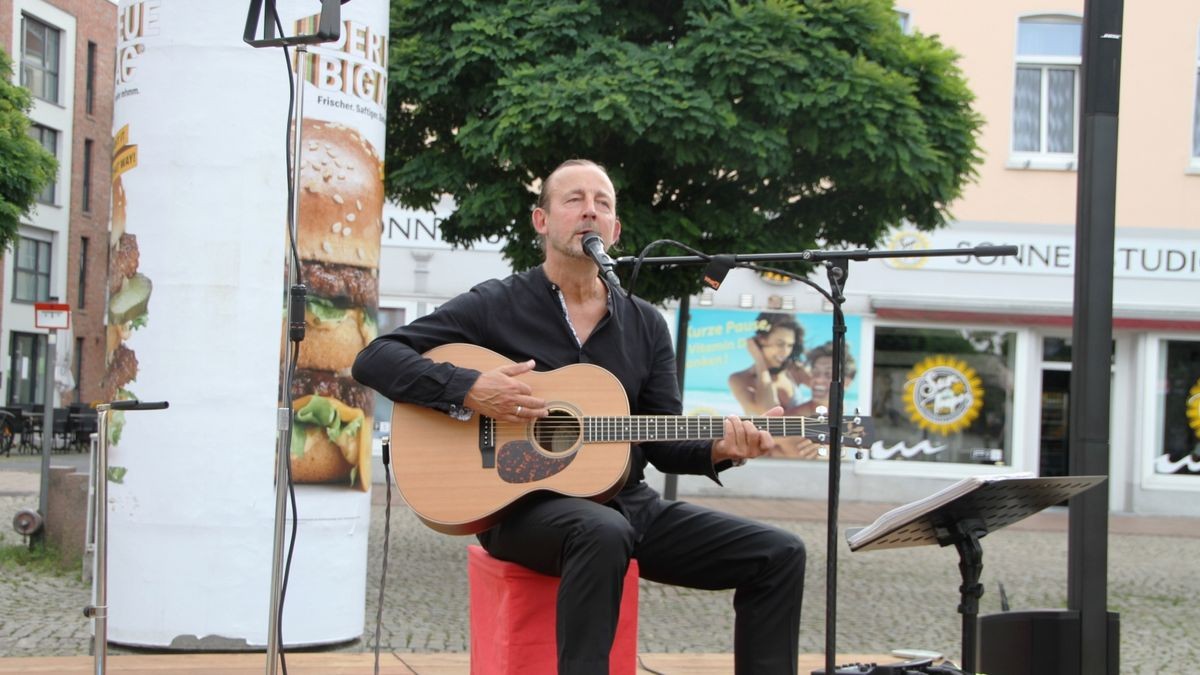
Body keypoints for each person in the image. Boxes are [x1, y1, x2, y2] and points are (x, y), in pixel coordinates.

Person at [353, 159, 806, 675]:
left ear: (614, 230)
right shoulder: (496, 304)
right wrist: (471, 388)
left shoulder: (645, 324)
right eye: (574, 200)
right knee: (602, 530)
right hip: (519, 508)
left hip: (628, 503)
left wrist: (720, 449)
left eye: (603, 204)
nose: (589, 211)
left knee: (779, 553)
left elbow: (660, 438)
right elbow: (376, 357)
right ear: (541, 221)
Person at [778, 342, 858, 460]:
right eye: (815, 373)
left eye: (828, 374)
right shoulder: (792, 419)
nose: (818, 380)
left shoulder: (853, 419)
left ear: (847, 382)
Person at [727, 312, 810, 416]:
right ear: (761, 340)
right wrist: (759, 360)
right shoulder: (740, 379)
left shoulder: (795, 370)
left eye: (790, 345)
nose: (786, 352)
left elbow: (832, 394)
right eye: (780, 344)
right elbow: (768, 414)